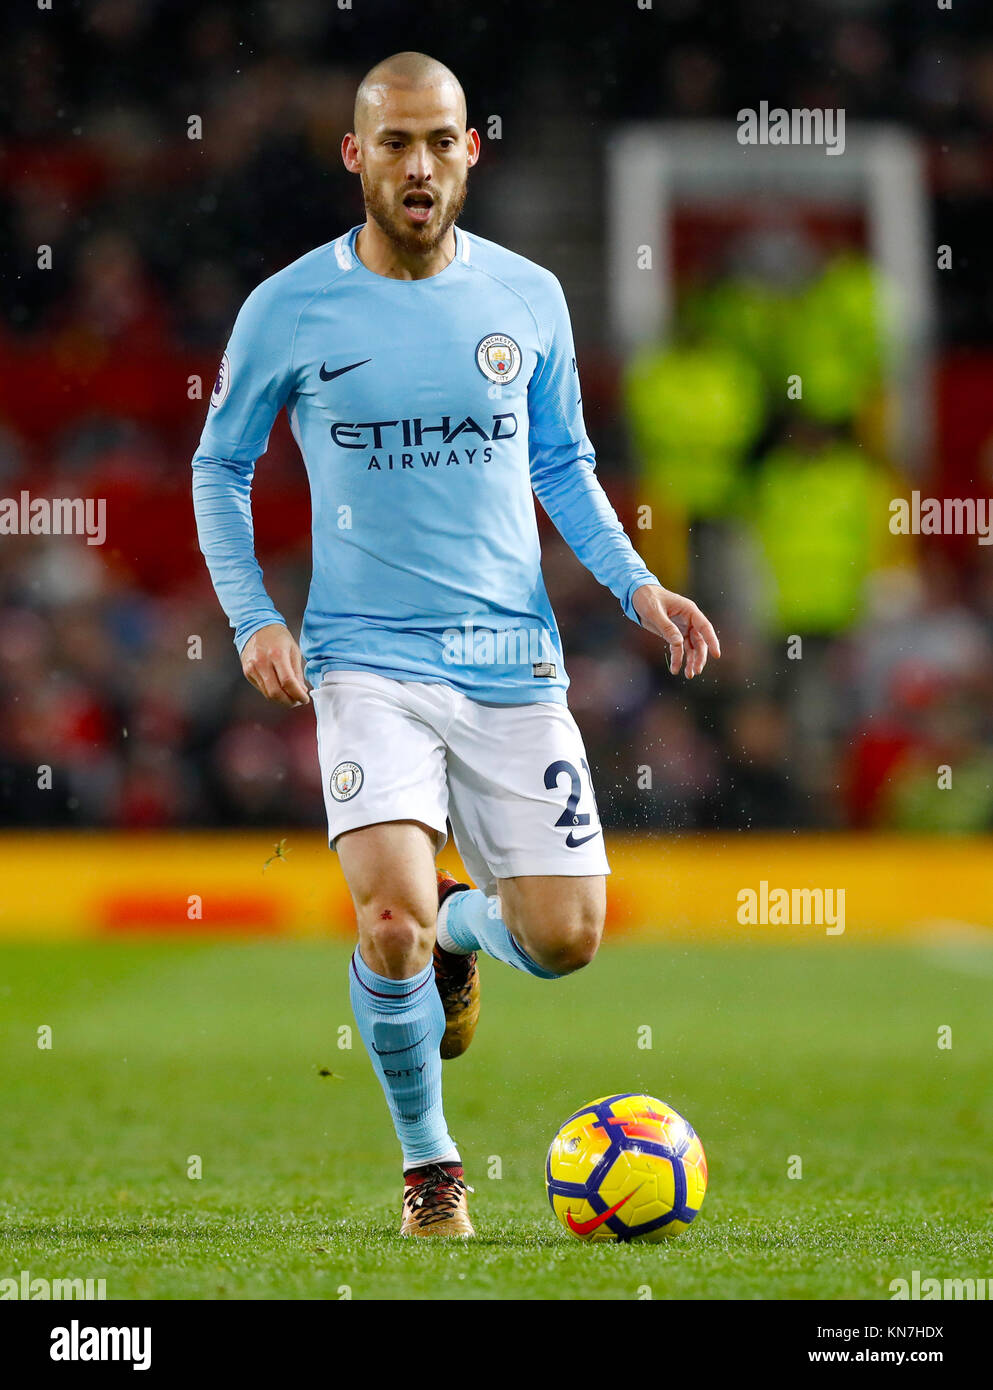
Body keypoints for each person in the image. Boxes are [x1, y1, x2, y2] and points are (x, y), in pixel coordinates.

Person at [192, 51, 720, 1238]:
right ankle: (431, 1168)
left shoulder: (529, 296)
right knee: (385, 919)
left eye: (440, 142)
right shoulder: (288, 306)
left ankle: (460, 927)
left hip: (512, 664)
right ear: (356, 157)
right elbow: (217, 466)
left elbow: (560, 463)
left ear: (472, 150)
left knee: (568, 939)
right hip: (365, 659)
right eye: (395, 144)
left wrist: (639, 587)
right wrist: (253, 618)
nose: (419, 165)